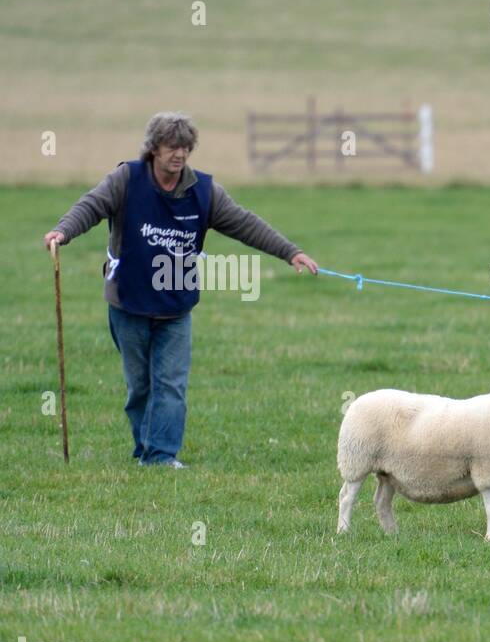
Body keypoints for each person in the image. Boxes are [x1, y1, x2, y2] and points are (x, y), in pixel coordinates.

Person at [44, 112, 318, 468]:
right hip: (129, 301)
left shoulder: (203, 191)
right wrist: (62, 231)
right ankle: (145, 448)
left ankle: (161, 456)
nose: (179, 154)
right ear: (154, 148)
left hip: (176, 306)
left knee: (171, 384)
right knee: (140, 387)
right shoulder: (126, 180)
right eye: (172, 147)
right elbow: (91, 206)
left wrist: (290, 251)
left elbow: (245, 223)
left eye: (186, 147)